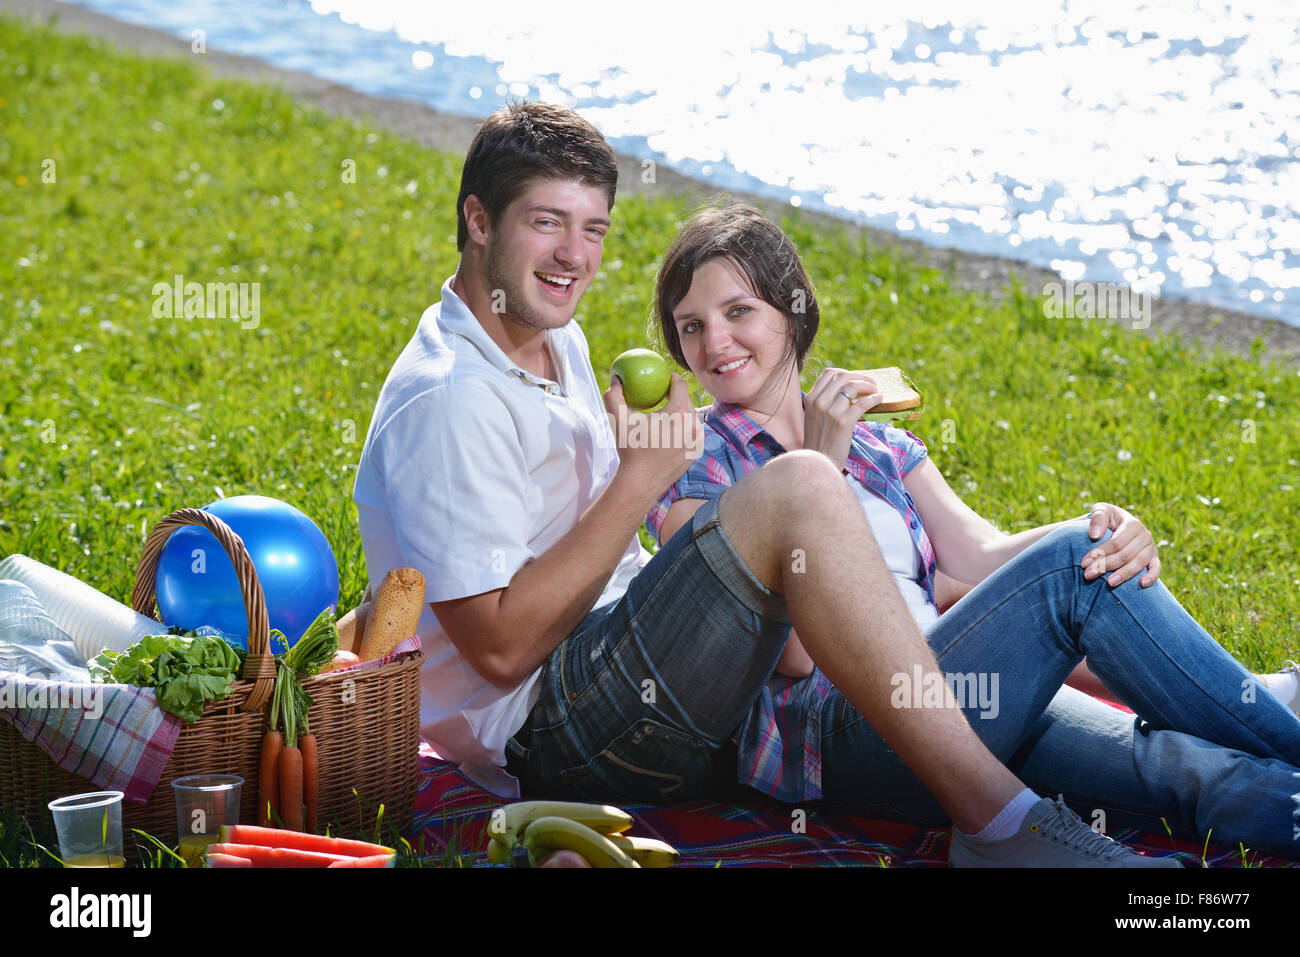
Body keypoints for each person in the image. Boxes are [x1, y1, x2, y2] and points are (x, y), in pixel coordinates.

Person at [353, 100, 1179, 866]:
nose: (575, 256)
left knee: (1135, 745)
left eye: (592, 229)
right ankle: (998, 824)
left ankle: (1225, 735)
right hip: (561, 733)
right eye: (546, 224)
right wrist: (642, 480)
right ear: (477, 219)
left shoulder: (547, 335)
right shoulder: (449, 399)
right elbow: (497, 652)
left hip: (652, 669)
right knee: (800, 487)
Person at [645, 201, 1300, 861]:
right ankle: (1277, 711)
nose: (715, 344)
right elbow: (792, 658)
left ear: (792, 312)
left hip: (969, 694)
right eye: (691, 326)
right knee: (1073, 564)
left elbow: (985, 556)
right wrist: (818, 466)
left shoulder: (879, 443)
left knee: (1186, 769)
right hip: (850, 734)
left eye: (738, 311)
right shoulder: (689, 463)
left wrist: (1105, 527)